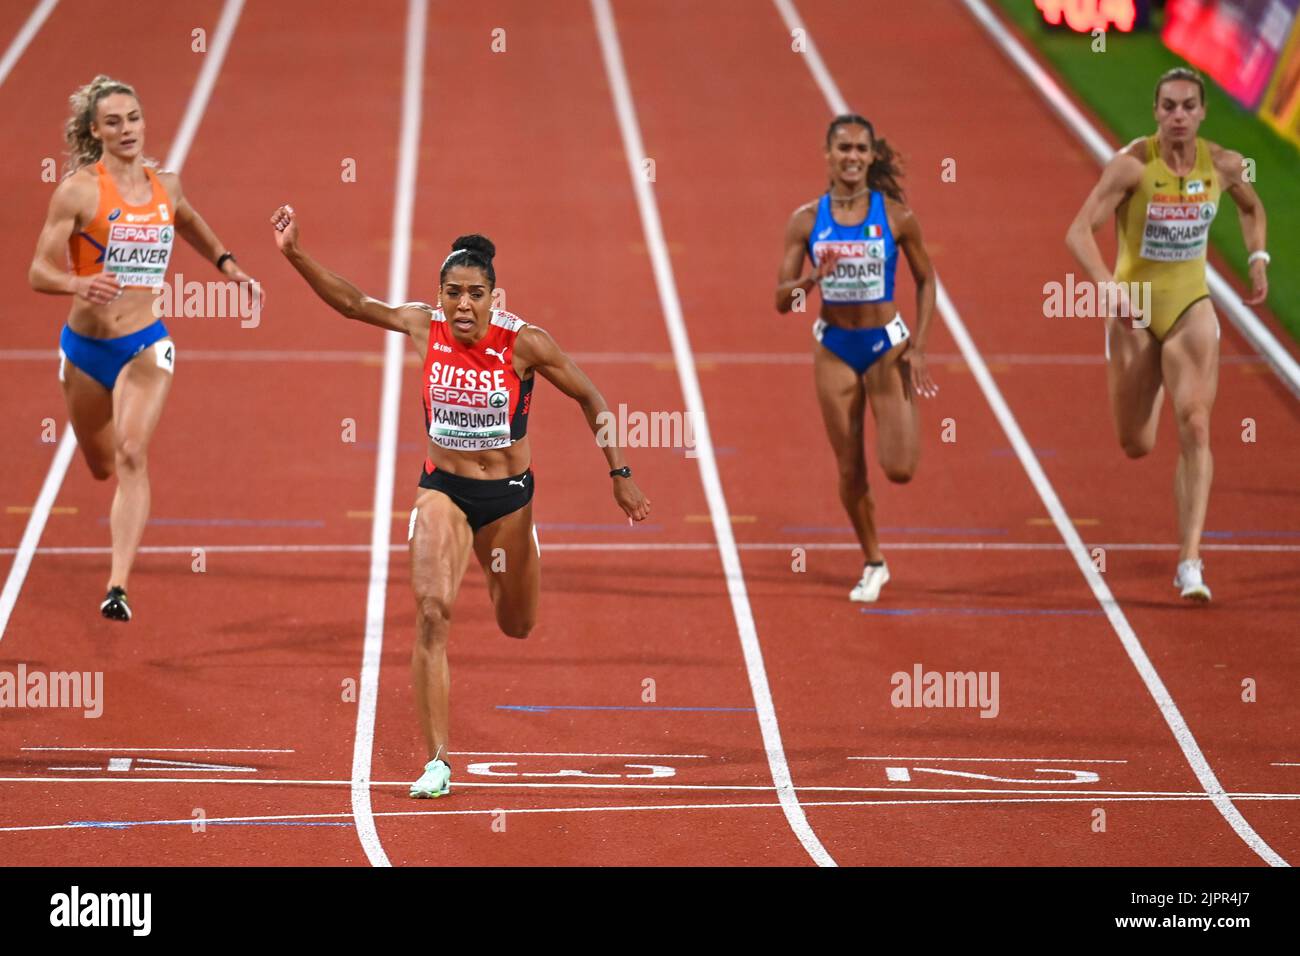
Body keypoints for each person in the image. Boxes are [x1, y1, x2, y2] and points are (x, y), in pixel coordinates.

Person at [270, 206, 650, 797]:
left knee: (518, 624)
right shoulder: (425, 326)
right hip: (442, 489)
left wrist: (619, 472)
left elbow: (591, 396)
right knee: (430, 612)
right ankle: (439, 762)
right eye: (454, 293)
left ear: (495, 297)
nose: (464, 305)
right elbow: (353, 303)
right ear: (438, 295)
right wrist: (295, 254)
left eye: (476, 294)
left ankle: (526, 549)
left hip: (507, 500)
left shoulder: (525, 343)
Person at [28, 75, 258, 621]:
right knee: (102, 465)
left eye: (133, 118)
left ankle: (117, 586)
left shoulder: (166, 186)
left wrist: (229, 266)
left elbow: (190, 221)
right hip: (85, 349)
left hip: (145, 343)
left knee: (133, 453)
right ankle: (114, 551)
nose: (126, 129)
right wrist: (77, 284)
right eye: (113, 122)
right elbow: (37, 270)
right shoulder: (79, 191)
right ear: (95, 130)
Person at [1066, 67, 1269, 602]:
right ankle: (1153, 378)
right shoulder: (1132, 166)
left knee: (1197, 424)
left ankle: (1190, 561)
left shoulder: (1223, 165)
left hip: (1190, 307)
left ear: (1202, 113)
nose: (1178, 116)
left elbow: (1253, 208)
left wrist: (1257, 256)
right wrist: (1106, 285)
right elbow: (1079, 230)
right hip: (1134, 310)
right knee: (1136, 443)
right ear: (1155, 112)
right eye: (1169, 106)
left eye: (1188, 107)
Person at [775, 114, 939, 602]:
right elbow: (781, 302)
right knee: (849, 469)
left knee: (900, 469)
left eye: (861, 149)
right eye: (843, 148)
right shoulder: (806, 221)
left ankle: (900, 415)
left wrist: (922, 345)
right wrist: (811, 280)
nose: (852, 157)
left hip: (887, 347)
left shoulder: (895, 217)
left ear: (871, 156)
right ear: (828, 154)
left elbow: (927, 279)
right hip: (834, 349)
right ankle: (874, 562)